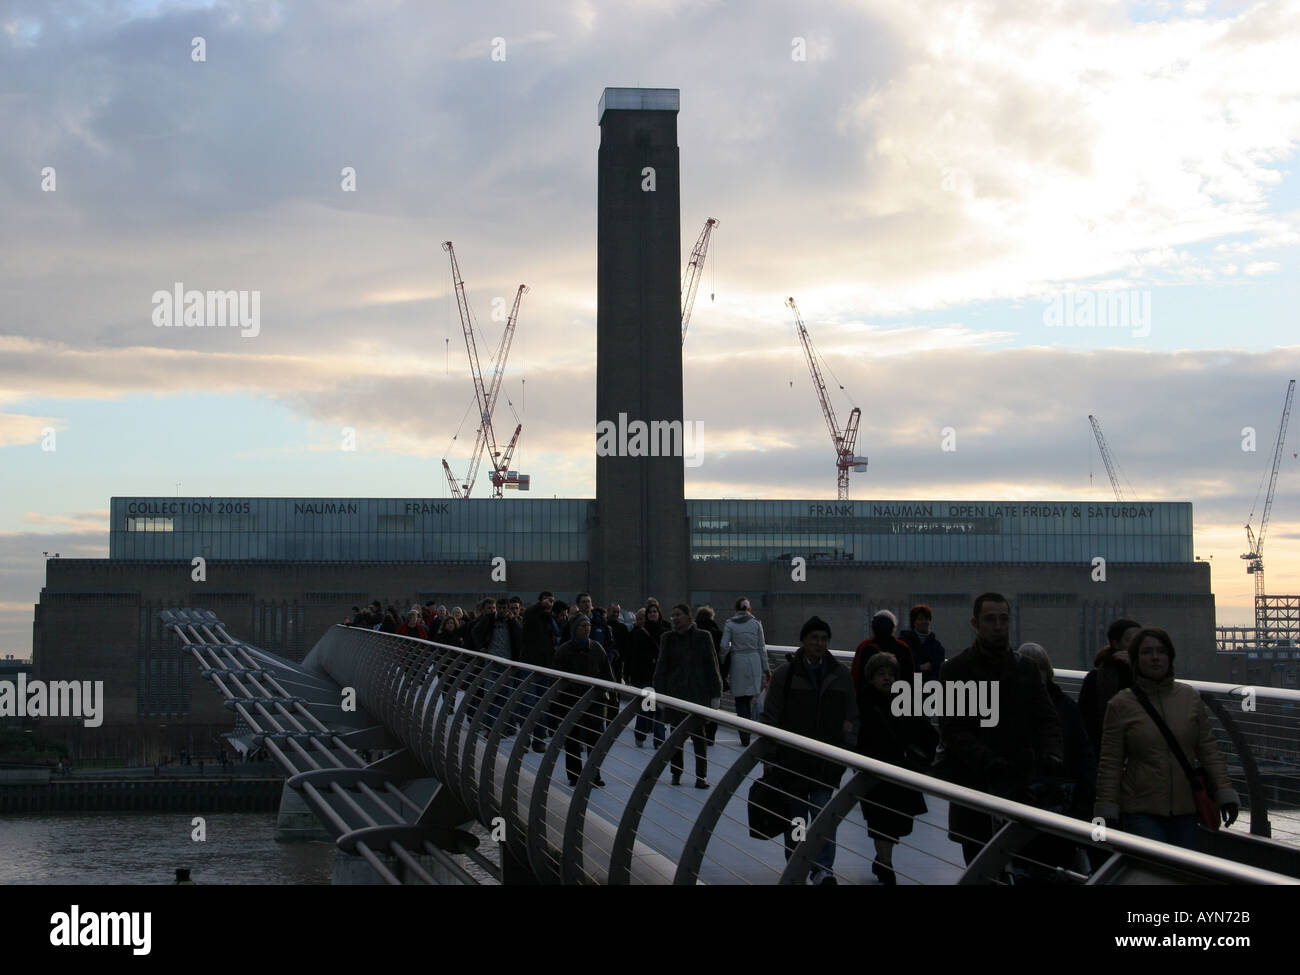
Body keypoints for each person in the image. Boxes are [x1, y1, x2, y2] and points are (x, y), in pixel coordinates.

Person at [939, 592, 1063, 866]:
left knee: (1023, 866)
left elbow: (1047, 720)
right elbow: (952, 729)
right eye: (990, 620)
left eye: (1003, 619)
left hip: (1021, 784)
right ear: (976, 623)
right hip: (978, 786)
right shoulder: (956, 670)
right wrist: (988, 762)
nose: (998, 626)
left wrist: (1051, 754)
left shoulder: (1026, 669)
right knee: (981, 866)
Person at [1094, 627, 1239, 849]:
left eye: (1161, 651)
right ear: (1135, 660)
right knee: (1158, 867)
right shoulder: (1121, 704)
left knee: (1181, 872)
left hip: (1186, 809)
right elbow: (1110, 763)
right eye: (1147, 652)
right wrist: (1106, 808)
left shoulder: (1189, 698)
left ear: (1170, 657)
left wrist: (1225, 792)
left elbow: (1209, 751)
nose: (1155, 658)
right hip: (1140, 809)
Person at [760, 616, 858, 885]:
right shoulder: (786, 675)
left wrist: (847, 747)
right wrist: (770, 756)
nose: (819, 643)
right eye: (814, 638)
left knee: (823, 814)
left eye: (824, 639)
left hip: (827, 761)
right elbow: (771, 716)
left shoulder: (840, 675)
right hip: (792, 760)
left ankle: (822, 868)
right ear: (803, 641)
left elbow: (852, 715)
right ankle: (798, 864)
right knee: (797, 817)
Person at [855, 651, 938, 884]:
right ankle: (886, 865)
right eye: (881, 674)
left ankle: (882, 860)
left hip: (901, 771)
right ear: (871, 677)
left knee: (896, 823)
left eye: (890, 674)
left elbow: (925, 731)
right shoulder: (864, 701)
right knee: (881, 821)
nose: (887, 678)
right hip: (875, 772)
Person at [1015, 642, 1096, 879]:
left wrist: (1085, 799)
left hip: (1060, 804)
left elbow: (1083, 754)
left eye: (1037, 670)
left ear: (1046, 672)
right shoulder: (1062, 706)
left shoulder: (1065, 707)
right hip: (1031, 804)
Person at [652, 603, 723, 788]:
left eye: (678, 615)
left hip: (698, 694)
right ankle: (676, 773)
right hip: (675, 694)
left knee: (699, 737)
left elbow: (712, 665)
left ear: (689, 617)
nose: (674, 618)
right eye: (673, 615)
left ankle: (701, 776)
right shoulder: (668, 638)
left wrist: (716, 694)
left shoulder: (703, 637)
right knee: (676, 736)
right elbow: (661, 669)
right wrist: (660, 695)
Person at [551, 615, 614, 787]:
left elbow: (607, 674)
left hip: (594, 701)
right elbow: (557, 679)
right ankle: (574, 774)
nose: (586, 628)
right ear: (574, 629)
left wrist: (605, 692)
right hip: (571, 701)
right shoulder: (564, 651)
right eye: (582, 625)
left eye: (588, 625)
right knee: (572, 739)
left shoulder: (596, 648)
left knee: (595, 740)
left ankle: (594, 775)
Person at [1078, 617, 1141, 753]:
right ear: (1116, 644)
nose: (1137, 645)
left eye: (1139, 640)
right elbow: (1087, 720)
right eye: (1131, 640)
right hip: (1107, 748)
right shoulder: (1096, 679)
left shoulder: (1148, 674)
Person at [719, 597, 770, 746]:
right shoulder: (756, 624)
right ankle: (747, 727)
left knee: (739, 699)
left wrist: (723, 661)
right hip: (754, 661)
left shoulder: (730, 624)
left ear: (736, 609)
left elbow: (723, 646)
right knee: (748, 697)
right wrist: (766, 669)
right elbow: (762, 647)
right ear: (749, 609)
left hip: (738, 661)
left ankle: (744, 732)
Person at [520, 591, 559, 751]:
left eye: (551, 601)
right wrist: (540, 606)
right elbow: (529, 614)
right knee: (529, 703)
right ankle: (524, 739)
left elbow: (557, 632)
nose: (549, 603)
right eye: (546, 600)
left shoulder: (549, 619)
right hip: (529, 666)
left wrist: (550, 616)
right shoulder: (531, 616)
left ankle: (538, 739)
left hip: (545, 667)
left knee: (543, 705)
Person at [626, 602, 668, 747]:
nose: (652, 614)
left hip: (661, 677)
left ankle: (659, 741)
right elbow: (634, 656)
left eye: (655, 611)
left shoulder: (665, 633)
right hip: (646, 676)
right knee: (647, 708)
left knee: (660, 711)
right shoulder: (640, 633)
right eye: (650, 612)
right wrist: (633, 676)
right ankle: (641, 735)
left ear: (659, 614)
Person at [852, 610, 916, 687]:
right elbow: (911, 677)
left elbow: (856, 676)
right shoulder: (903, 648)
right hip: (898, 696)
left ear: (873, 627)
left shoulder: (864, 647)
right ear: (893, 628)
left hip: (870, 697)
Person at [694, 606, 724, 745]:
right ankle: (711, 736)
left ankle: (698, 734)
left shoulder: (695, 633)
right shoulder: (717, 633)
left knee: (698, 705)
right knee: (714, 707)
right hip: (714, 672)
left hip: (697, 673)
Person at [899, 604, 946, 679]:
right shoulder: (904, 643)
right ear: (913, 622)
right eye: (920, 619)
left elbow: (938, 669)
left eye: (926, 619)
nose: (924, 622)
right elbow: (901, 665)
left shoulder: (937, 646)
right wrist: (919, 668)